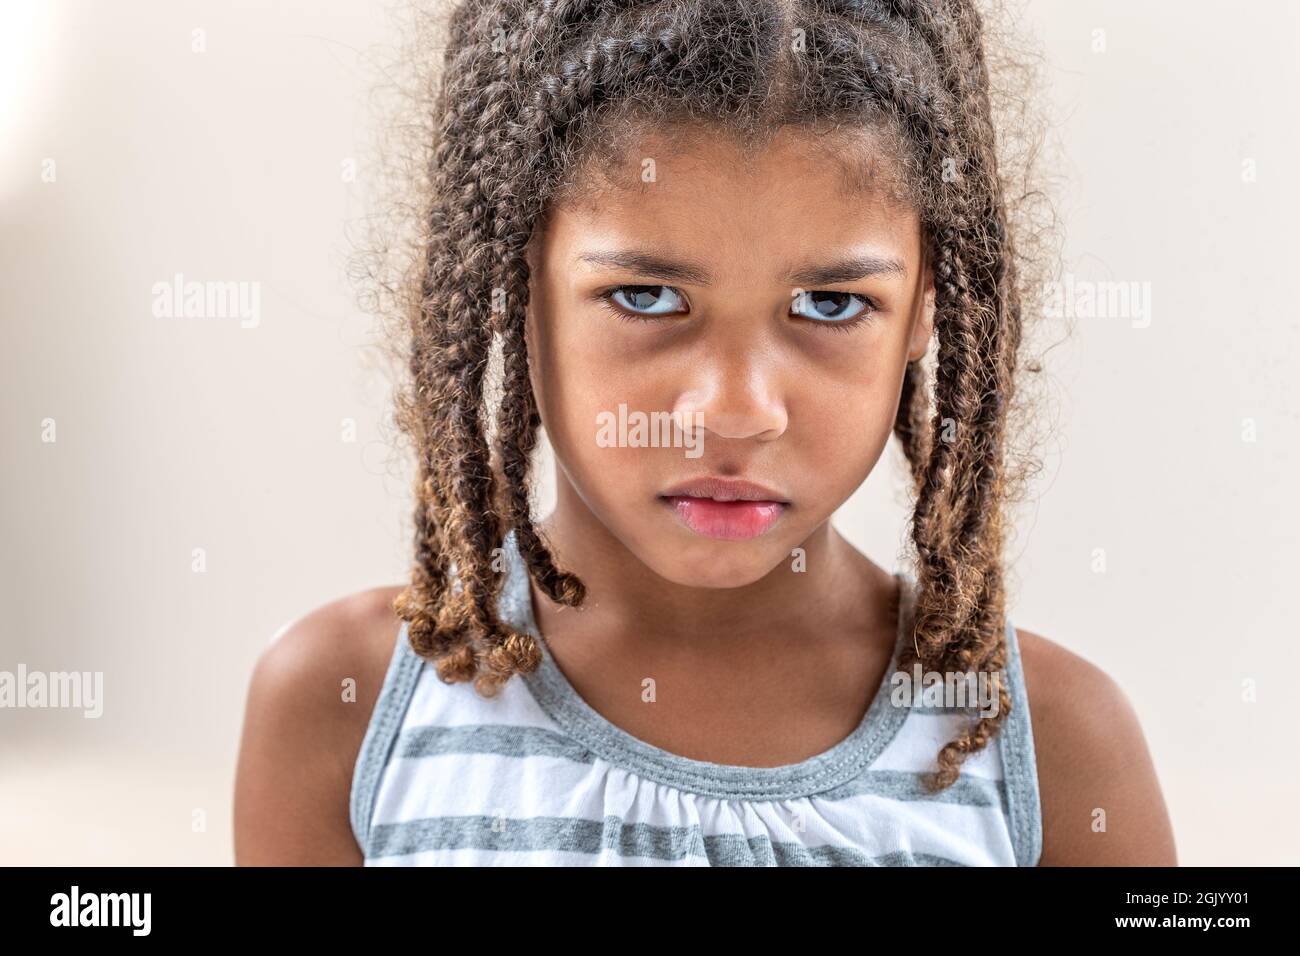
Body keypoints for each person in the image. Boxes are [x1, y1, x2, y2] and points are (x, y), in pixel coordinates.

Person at [234, 0, 1176, 866]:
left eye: (831, 302)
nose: (735, 410)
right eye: (647, 297)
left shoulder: (1050, 747)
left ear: (926, 304)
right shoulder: (348, 710)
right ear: (515, 281)